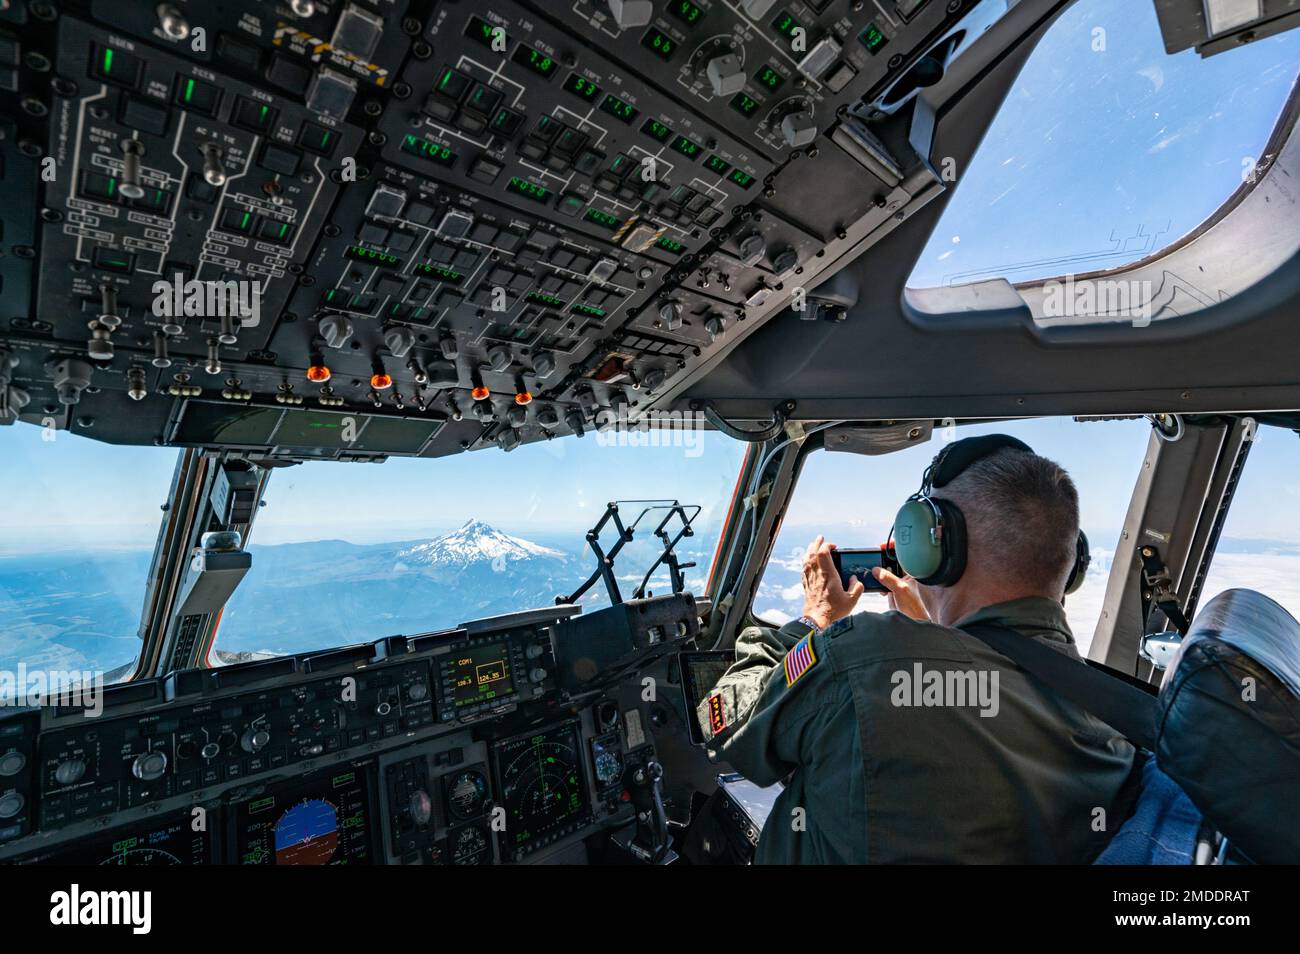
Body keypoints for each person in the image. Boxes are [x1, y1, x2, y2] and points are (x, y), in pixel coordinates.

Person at [698, 437, 1136, 863]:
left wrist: (813, 619)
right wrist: (929, 635)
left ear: (934, 547)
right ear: (1072, 562)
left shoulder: (865, 659)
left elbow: (723, 721)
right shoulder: (1119, 723)